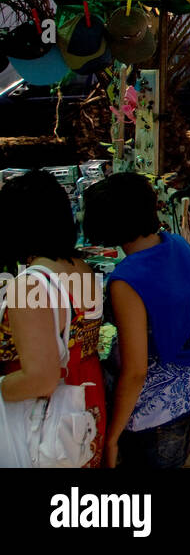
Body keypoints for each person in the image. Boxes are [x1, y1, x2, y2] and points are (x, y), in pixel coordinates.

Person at [83, 173, 190, 468]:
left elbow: (136, 371)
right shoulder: (180, 245)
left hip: (150, 416)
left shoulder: (126, 281)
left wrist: (111, 438)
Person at [0, 171, 107, 468]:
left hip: (44, 414)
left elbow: (41, 378)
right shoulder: (82, 268)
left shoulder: (30, 284)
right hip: (85, 399)